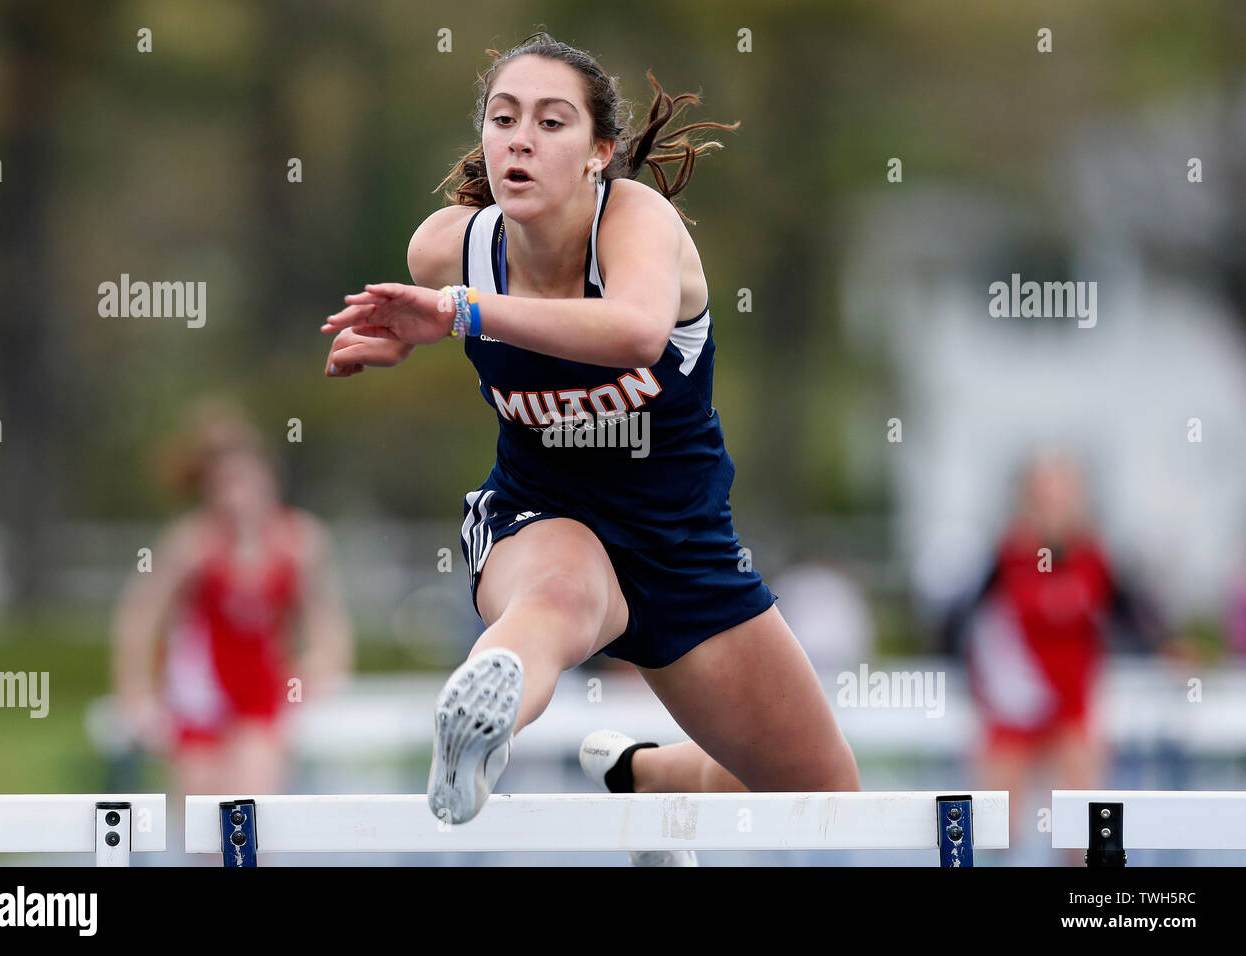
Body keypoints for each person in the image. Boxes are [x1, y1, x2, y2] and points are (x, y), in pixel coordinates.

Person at [322, 32, 859, 866]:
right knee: (564, 594)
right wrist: (412, 335)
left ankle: (651, 778)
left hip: (682, 552)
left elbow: (637, 333)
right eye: (503, 120)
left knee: (828, 803)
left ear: (598, 153)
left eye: (551, 120)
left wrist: (458, 316)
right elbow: (445, 308)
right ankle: (481, 725)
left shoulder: (637, 221)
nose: (521, 139)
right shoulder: (447, 249)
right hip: (540, 518)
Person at [111, 402, 353, 799]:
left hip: (261, 694)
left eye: (247, 481)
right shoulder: (192, 543)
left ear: (269, 478)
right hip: (198, 697)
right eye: (226, 484)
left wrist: (322, 666)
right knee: (202, 828)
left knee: (249, 814)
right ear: (210, 489)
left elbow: (327, 622)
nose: (239, 496)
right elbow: (139, 617)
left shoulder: (301, 541)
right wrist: (136, 693)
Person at [941, 448, 1165, 863]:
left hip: (1071, 710)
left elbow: (1136, 619)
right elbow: (957, 627)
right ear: (1027, 501)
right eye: (1044, 497)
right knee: (994, 833)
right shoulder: (1003, 558)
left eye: (1063, 496)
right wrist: (973, 683)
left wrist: (1169, 651)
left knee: (1079, 835)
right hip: (1013, 710)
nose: (1054, 508)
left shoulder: (1095, 559)